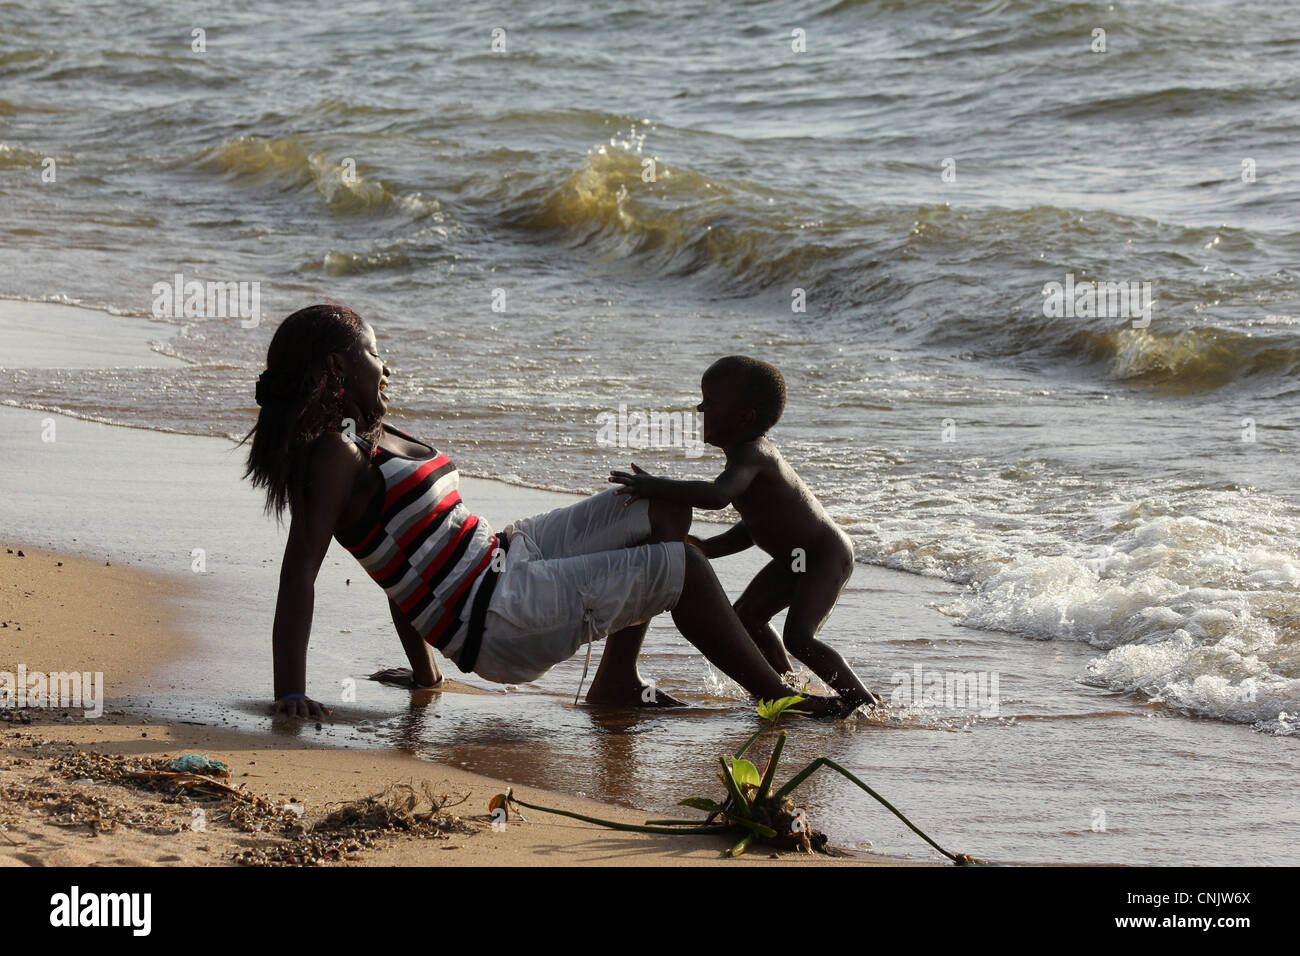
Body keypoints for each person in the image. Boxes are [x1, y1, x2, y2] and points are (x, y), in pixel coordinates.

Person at [240, 305, 844, 721]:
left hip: (504, 557)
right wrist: (289, 692)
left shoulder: (365, 434)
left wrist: (424, 675)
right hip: (502, 615)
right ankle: (778, 700)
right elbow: (302, 576)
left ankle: (617, 682)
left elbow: (407, 557)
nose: (387, 366)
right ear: (341, 369)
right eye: (375, 354)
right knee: (681, 567)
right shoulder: (336, 455)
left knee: (656, 502)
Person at [609, 355, 878, 713]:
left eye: (711, 402)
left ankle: (863, 702)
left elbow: (717, 497)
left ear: (745, 417)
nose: (700, 407)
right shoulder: (745, 459)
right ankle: (787, 687)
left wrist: (655, 485)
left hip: (824, 555)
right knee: (747, 617)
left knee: (800, 637)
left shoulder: (753, 455)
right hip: (794, 558)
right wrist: (707, 548)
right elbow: (756, 525)